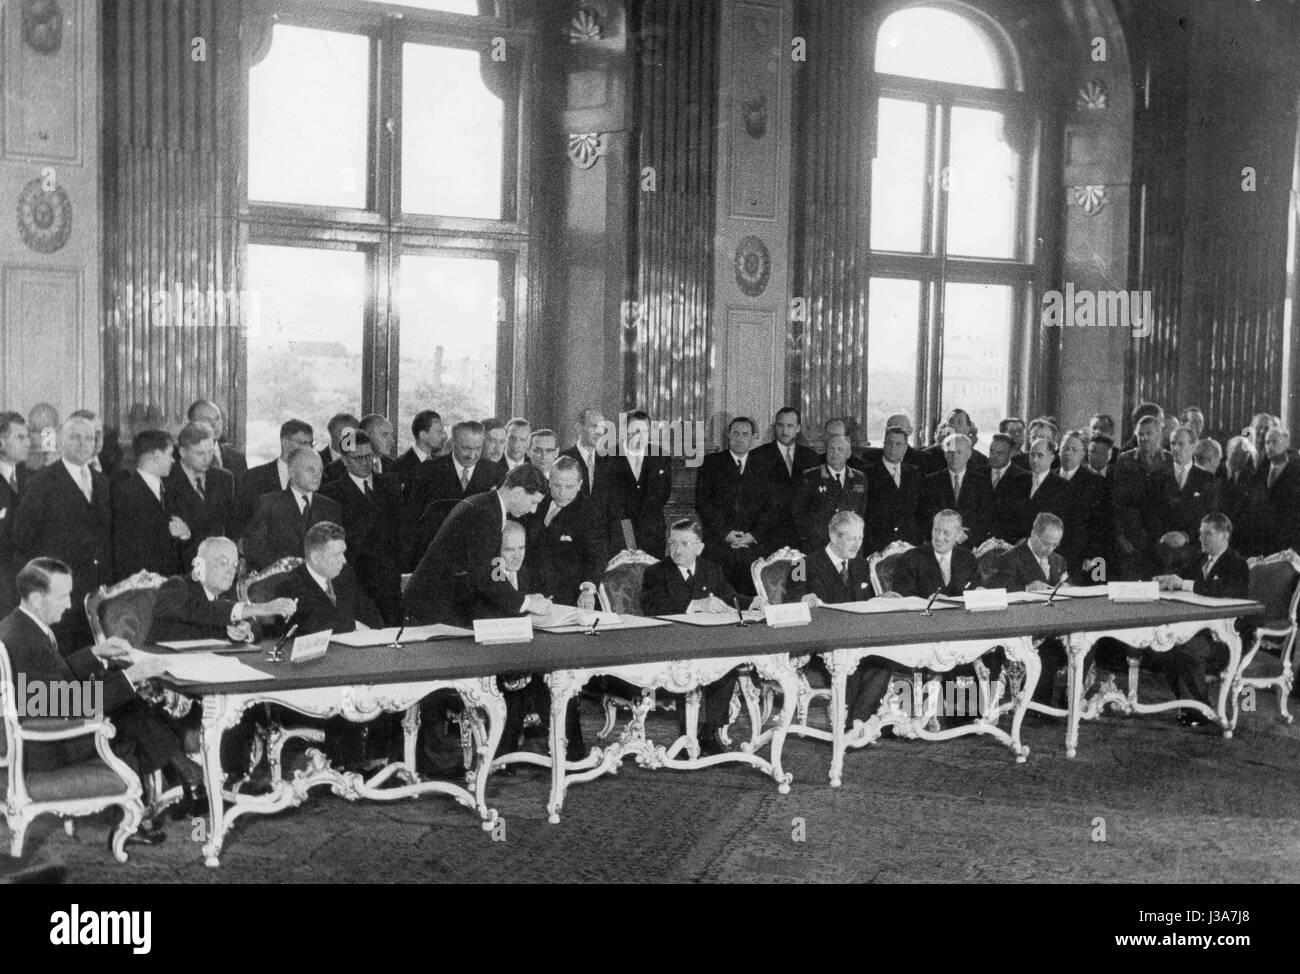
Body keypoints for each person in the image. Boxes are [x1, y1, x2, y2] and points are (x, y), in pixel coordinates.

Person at [0, 557, 205, 847]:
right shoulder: (26, 640)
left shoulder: (18, 626)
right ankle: (144, 811)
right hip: (43, 747)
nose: (69, 605)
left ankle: (187, 779)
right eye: (62, 597)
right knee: (127, 714)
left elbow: (49, 683)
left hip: (35, 731)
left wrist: (97, 653)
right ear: (36, 598)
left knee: (126, 701)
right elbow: (66, 702)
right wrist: (131, 677)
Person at [640, 519, 767, 755]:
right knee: (690, 666)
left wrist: (753, 602)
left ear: (699, 547)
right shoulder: (655, 572)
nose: (677, 550)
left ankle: (709, 733)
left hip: (707, 641)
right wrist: (694, 605)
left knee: (726, 662)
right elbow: (652, 607)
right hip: (672, 643)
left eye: (684, 544)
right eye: (672, 543)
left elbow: (729, 597)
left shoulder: (711, 569)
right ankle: (688, 735)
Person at [11, 415, 112, 654]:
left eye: (89, 438)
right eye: (75, 437)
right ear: (61, 441)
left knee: (95, 660)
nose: (83, 444)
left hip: (97, 597)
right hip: (60, 595)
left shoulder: (102, 482)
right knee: (63, 661)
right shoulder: (41, 482)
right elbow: (23, 539)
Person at [404, 464, 551, 625]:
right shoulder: (485, 513)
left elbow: (491, 567)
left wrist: (521, 598)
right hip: (432, 606)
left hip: (442, 602)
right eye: (533, 502)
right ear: (518, 493)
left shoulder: (489, 505)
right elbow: (485, 573)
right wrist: (526, 603)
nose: (533, 510)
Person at [795, 512, 898, 728]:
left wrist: (882, 599)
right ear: (834, 536)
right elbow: (790, 599)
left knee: (883, 664)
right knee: (850, 669)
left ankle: (854, 725)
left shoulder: (861, 565)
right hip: (823, 646)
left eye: (860, 538)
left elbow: (866, 602)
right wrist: (804, 599)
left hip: (858, 640)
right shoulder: (801, 564)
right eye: (851, 538)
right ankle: (854, 727)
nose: (857, 544)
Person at [1154, 514, 1250, 725]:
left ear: (1225, 536)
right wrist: (1166, 580)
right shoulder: (1198, 560)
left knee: (1190, 649)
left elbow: (1224, 590)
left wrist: (1184, 584)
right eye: (1200, 533)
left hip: (1225, 639)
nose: (1201, 538)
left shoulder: (1237, 564)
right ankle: (1195, 705)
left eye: (1208, 533)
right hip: (1198, 631)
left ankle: (1196, 710)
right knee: (1163, 646)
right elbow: (1179, 578)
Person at [319, 430, 405, 625]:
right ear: (345, 460)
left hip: (389, 581)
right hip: (356, 580)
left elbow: (402, 530)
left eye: (369, 456)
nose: (365, 462)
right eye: (358, 458)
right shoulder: (331, 493)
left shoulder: (390, 483)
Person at [147, 537, 297, 643]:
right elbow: (200, 610)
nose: (231, 571)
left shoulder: (227, 593)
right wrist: (261, 608)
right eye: (223, 563)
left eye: (234, 565)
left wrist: (245, 631)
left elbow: (254, 626)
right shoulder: (175, 586)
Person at [990, 513, 1070, 705]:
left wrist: (1067, 589)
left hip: (1053, 626)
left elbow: (1065, 584)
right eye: (1046, 543)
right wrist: (1026, 589)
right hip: (1024, 630)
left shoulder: (1058, 560)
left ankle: (1068, 700)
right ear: (1034, 534)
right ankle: (1038, 705)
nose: (1049, 549)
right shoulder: (1010, 559)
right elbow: (995, 592)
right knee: (1049, 655)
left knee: (1085, 646)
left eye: (1055, 544)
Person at [403, 420, 505, 569]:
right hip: (435, 559)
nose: (472, 455)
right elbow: (411, 520)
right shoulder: (427, 471)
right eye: (466, 448)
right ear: (453, 442)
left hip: (476, 562)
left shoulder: (496, 474)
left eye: (478, 448)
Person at [694, 416, 774, 594]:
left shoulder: (765, 466)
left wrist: (753, 535)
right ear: (728, 436)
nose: (740, 439)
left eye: (745, 435)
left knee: (750, 598)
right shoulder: (711, 463)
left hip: (752, 547)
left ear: (753, 438)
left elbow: (770, 507)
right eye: (736, 434)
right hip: (719, 546)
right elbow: (703, 504)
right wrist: (726, 533)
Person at [524, 457, 607, 609]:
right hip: (532, 593)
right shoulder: (538, 500)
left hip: (569, 599)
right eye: (557, 485)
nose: (562, 493)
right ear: (549, 481)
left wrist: (588, 590)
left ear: (579, 485)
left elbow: (597, 556)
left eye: (569, 487)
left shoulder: (589, 512)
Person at [241, 448, 342, 571]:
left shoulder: (331, 508)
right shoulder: (268, 504)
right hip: (279, 578)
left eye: (320, 470)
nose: (317, 475)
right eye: (311, 469)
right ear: (292, 471)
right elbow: (254, 548)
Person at [110, 429, 190, 580]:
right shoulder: (124, 493)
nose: (173, 460)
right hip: (142, 584)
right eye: (169, 454)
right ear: (157, 455)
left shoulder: (172, 490)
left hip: (173, 582)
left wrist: (185, 533)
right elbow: (125, 547)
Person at [1146, 426, 1220, 572]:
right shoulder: (1156, 478)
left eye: (1181, 444)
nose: (1175, 448)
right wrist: (1165, 536)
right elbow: (1149, 513)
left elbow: (1210, 516)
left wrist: (1186, 536)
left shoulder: (1208, 480)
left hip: (1194, 551)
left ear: (1193, 446)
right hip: (1162, 550)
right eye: (1173, 443)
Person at [602, 410, 673, 558]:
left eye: (645, 431)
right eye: (635, 431)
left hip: (652, 535)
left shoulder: (661, 456)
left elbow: (663, 494)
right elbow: (609, 500)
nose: (640, 437)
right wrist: (629, 536)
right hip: (620, 534)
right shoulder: (608, 457)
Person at [165, 422, 236, 568]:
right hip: (182, 567)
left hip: (219, 565)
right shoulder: (166, 481)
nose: (207, 459)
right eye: (200, 454)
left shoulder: (224, 479)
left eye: (210, 452)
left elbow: (231, 524)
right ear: (182, 452)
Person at [749, 407, 820, 551]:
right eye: (780, 425)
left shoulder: (811, 457)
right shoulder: (758, 456)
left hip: (802, 537)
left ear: (798, 428)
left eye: (790, 426)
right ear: (775, 427)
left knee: (799, 567)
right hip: (768, 536)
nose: (784, 431)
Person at [1113, 415, 1171, 578]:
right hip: (1132, 540)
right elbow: (1117, 502)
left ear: (1159, 434)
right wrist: (1120, 536)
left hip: (1160, 540)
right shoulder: (1125, 460)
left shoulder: (1169, 460)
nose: (1144, 438)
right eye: (1140, 434)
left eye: (1148, 433)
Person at [790, 433, 868, 552]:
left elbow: (861, 511)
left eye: (840, 449)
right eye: (831, 449)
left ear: (848, 453)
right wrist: (813, 534)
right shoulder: (811, 476)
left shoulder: (859, 478)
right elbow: (798, 511)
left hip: (849, 545)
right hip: (818, 545)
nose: (835, 453)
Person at [237, 419, 314, 532]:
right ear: (285, 443)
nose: (309, 449)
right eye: (303, 443)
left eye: (311, 444)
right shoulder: (253, 478)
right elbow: (240, 522)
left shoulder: (318, 478)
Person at [919, 433, 993, 547]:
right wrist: (947, 533)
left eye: (959, 452)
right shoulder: (930, 481)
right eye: (950, 452)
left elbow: (985, 516)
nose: (954, 457)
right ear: (944, 454)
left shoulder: (982, 482)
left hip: (972, 544)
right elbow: (926, 513)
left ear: (969, 454)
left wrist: (965, 535)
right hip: (939, 542)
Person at [1056, 429, 1111, 577]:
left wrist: (1092, 555)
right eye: (1065, 448)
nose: (1068, 453)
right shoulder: (1049, 477)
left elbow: (1099, 524)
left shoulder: (1096, 483)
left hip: (1080, 554)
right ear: (1059, 451)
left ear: (1083, 454)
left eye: (1074, 450)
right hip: (1051, 553)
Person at [889, 510, 979, 598]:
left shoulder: (968, 558)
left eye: (946, 533)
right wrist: (927, 601)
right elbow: (902, 598)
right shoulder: (911, 558)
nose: (939, 537)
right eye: (936, 530)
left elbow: (976, 589)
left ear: (958, 534)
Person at [862, 425, 921, 553]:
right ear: (883, 445)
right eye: (889, 443)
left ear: (905, 448)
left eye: (898, 444)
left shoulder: (914, 473)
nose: (893, 448)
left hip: (908, 544)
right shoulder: (867, 474)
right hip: (877, 544)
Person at [0, 411, 32, 615]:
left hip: (24, 580)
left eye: (27, 436)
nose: (28, 443)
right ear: (1, 443)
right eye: (20, 437)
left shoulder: (30, 478)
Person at [987, 432, 1031, 544]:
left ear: (1010, 454)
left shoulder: (1024, 478)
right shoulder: (978, 473)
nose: (993, 457)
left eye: (999, 453)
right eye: (991, 451)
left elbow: (1022, 516)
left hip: (1008, 541)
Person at [187, 400, 247, 475]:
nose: (214, 425)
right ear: (192, 423)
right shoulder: (180, 456)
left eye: (217, 419)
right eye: (207, 420)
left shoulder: (237, 458)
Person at [394, 410, 447, 493]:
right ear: (423, 435)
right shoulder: (399, 466)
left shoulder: (442, 463)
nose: (445, 436)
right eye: (439, 432)